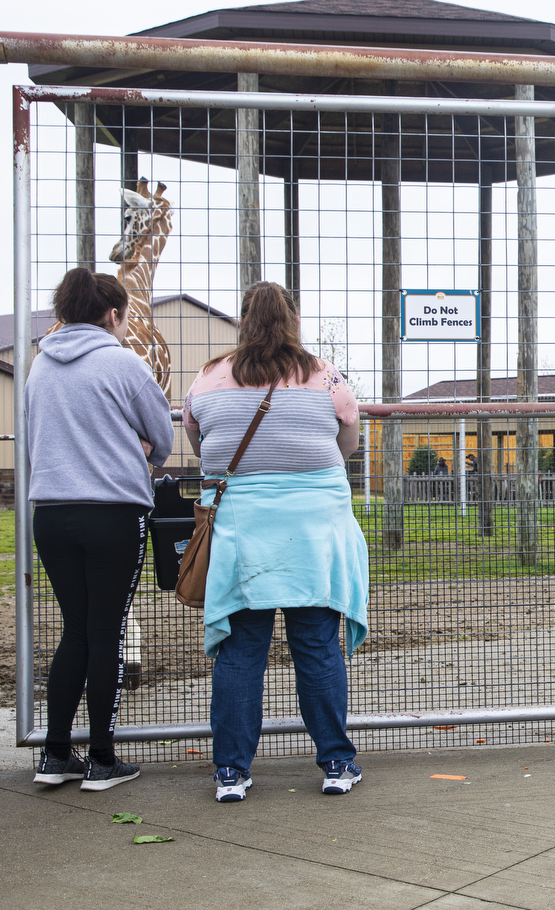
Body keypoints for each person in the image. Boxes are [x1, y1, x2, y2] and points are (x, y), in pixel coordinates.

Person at [183, 282, 370, 803]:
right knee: (315, 646)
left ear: (243, 320)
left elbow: (201, 446)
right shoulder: (324, 374)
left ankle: (232, 773)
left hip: (243, 534)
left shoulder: (208, 377)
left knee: (241, 653)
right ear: (292, 319)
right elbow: (348, 441)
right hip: (314, 535)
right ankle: (336, 762)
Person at [25, 268, 174, 791]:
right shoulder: (124, 363)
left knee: (76, 630)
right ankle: (103, 760)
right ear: (111, 314)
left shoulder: (39, 367)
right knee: (106, 630)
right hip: (112, 512)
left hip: (51, 513)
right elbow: (162, 437)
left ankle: (55, 754)